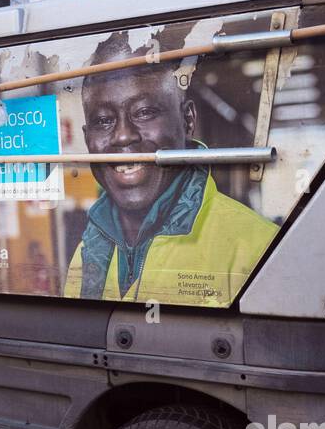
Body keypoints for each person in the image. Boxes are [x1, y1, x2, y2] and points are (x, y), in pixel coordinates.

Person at [64, 31, 278, 307]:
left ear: (187, 120)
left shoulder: (258, 247)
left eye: (143, 112)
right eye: (103, 120)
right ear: (86, 138)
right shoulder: (87, 251)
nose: (122, 136)